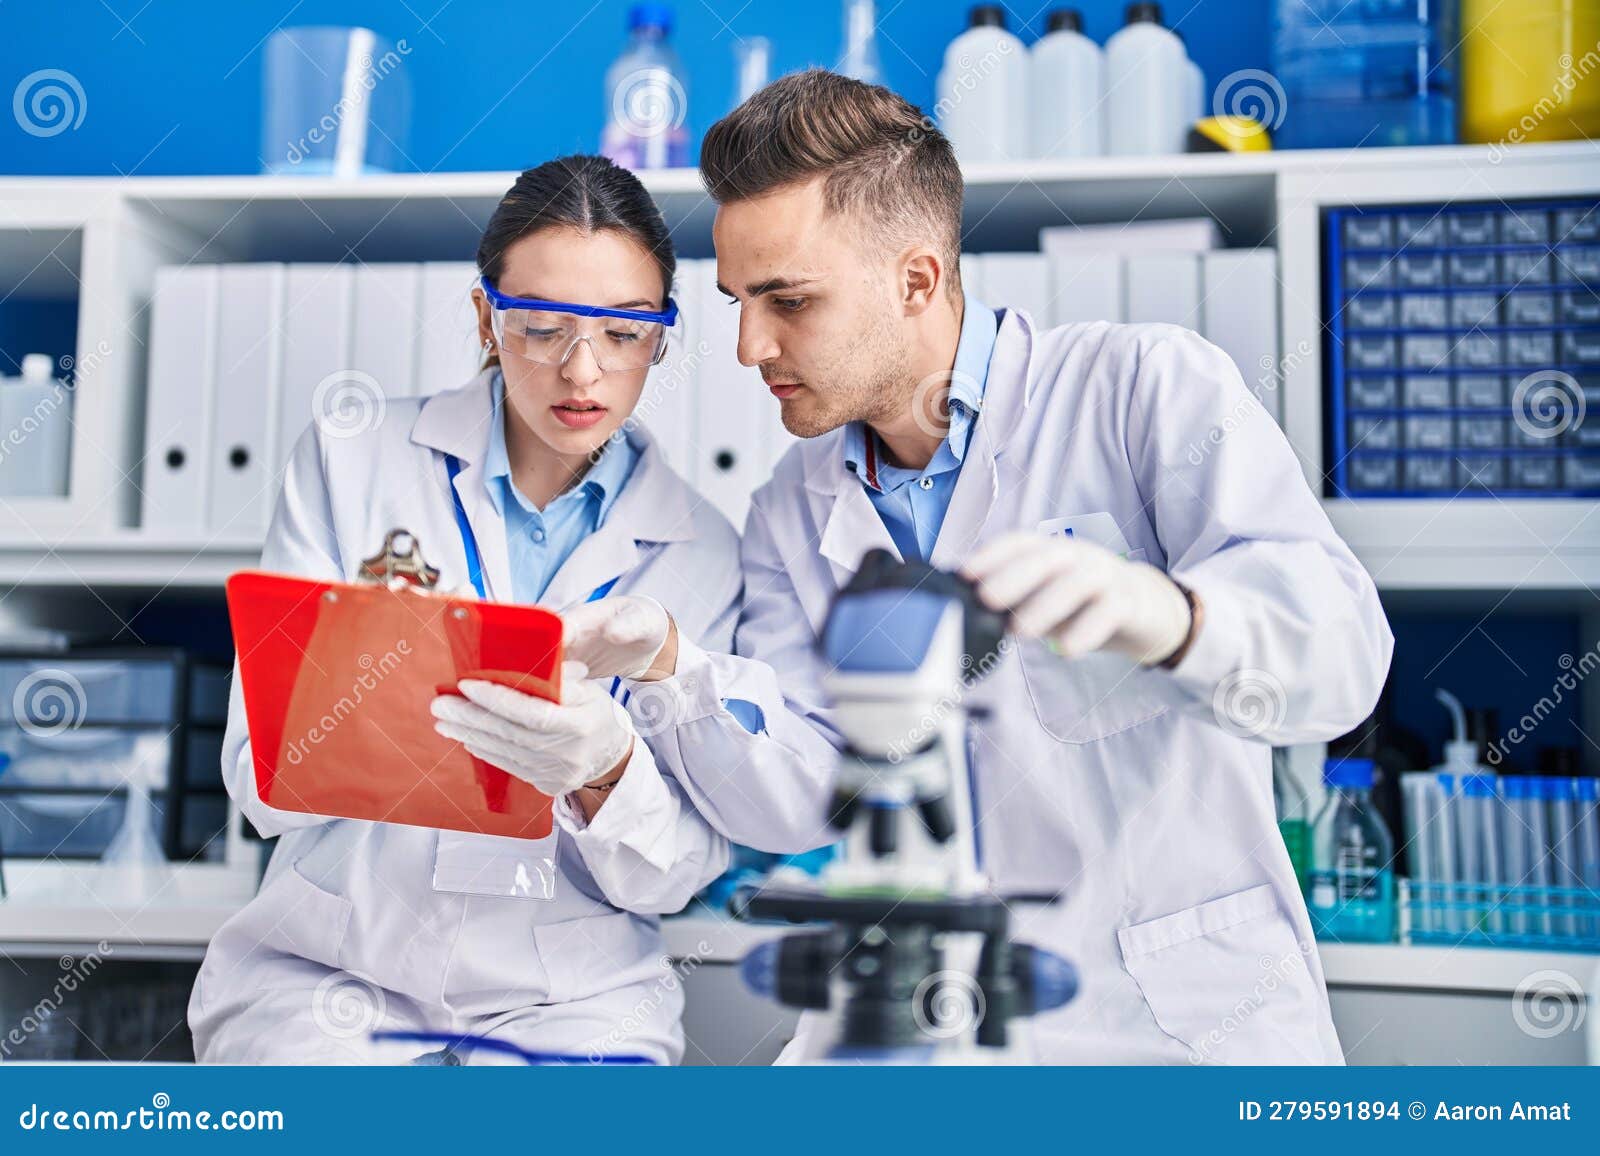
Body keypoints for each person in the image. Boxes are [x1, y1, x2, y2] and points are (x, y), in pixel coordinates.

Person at [551, 71, 1395, 1064]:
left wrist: (1169, 617)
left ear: (915, 279)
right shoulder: (792, 503)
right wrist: (673, 672)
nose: (748, 345)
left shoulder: (1140, 388)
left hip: (1168, 1020)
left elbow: (1340, 658)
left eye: (788, 300)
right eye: (738, 301)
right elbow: (805, 794)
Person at [190, 155, 736, 1065]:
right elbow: (259, 778)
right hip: (330, 972)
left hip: (574, 998)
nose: (581, 368)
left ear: (664, 339)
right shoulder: (351, 458)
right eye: (542, 326)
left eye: (625, 333)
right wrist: (392, 715)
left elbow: (676, 871)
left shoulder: (704, 551)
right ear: (486, 317)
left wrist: (604, 771)